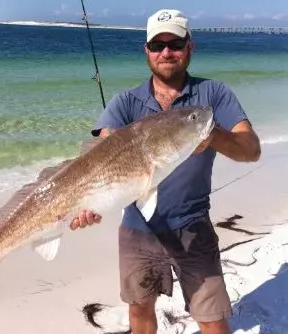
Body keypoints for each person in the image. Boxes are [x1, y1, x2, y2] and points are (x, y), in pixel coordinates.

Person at [70, 9, 261, 334]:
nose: (166, 52)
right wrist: (88, 202)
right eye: (157, 45)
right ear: (146, 50)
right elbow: (98, 159)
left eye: (174, 43)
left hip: (193, 228)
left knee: (212, 318)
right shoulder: (126, 102)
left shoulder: (213, 95)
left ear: (189, 47)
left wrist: (212, 135)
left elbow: (251, 149)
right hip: (137, 231)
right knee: (140, 311)